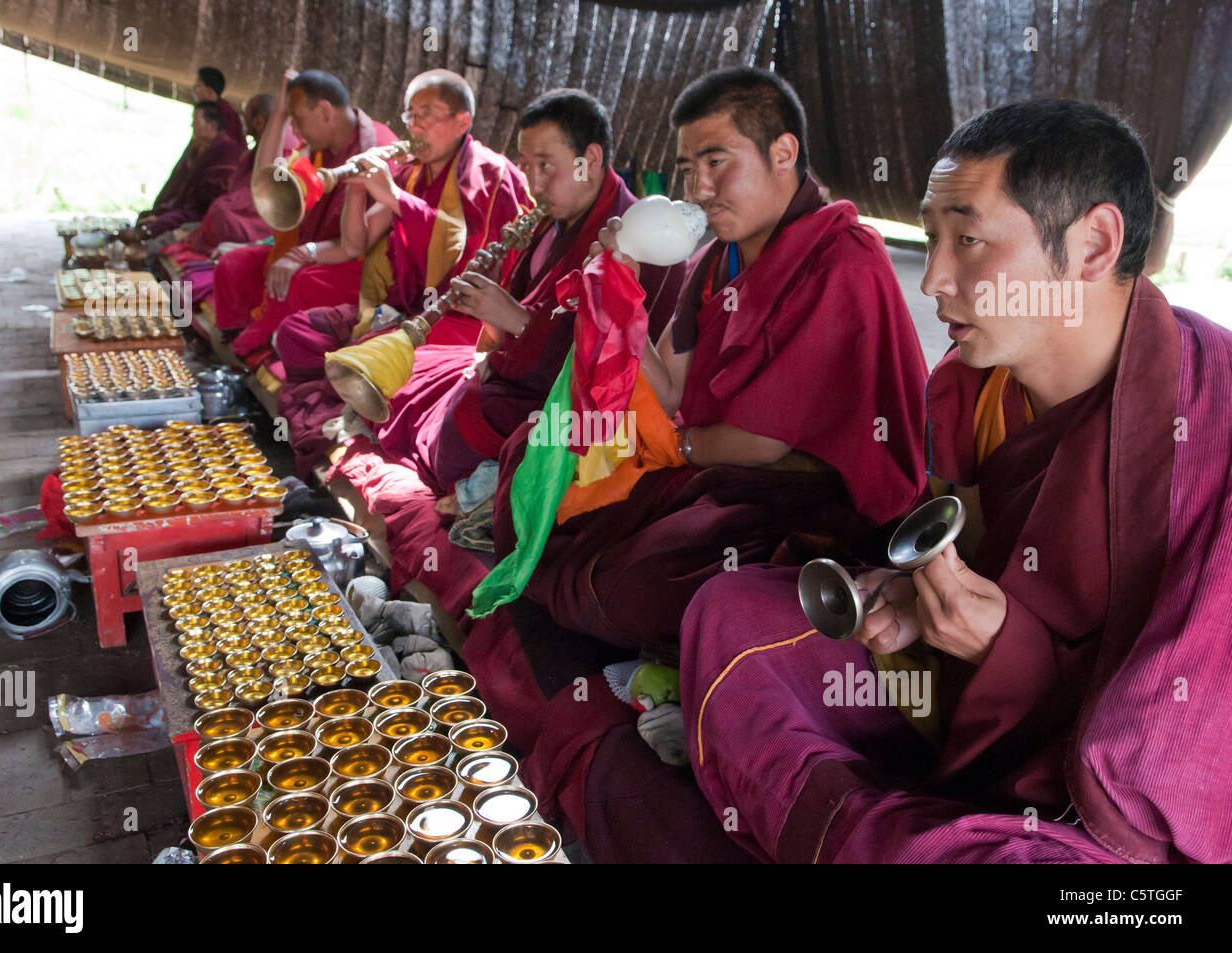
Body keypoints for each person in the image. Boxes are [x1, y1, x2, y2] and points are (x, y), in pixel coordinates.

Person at [683, 99, 1232, 864]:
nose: (935, 279)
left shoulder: (1212, 417)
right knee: (728, 610)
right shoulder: (972, 389)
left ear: (1094, 243)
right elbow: (968, 556)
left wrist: (1009, 648)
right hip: (957, 702)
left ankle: (857, 817)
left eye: (968, 239)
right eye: (933, 238)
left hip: (1084, 796)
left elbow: (1161, 768)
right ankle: (886, 823)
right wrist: (911, 606)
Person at [491, 67, 929, 658]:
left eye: (717, 162)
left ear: (783, 152)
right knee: (531, 447)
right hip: (710, 460)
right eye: (688, 168)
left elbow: (761, 444)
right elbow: (668, 389)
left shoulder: (842, 261)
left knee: (638, 580)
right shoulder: (718, 258)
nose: (698, 188)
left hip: (811, 494)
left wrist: (677, 451)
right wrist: (621, 288)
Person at [329, 88, 685, 493]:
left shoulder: (634, 238)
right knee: (409, 371)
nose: (534, 182)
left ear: (591, 160)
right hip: (514, 372)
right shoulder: (555, 221)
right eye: (526, 166)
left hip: (574, 410)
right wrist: (493, 329)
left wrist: (515, 319)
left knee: (461, 432)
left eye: (547, 166)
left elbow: (614, 375)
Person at [272, 69, 532, 472]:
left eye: (428, 114)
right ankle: (349, 398)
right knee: (295, 332)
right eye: (411, 116)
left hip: (460, 318)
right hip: (405, 309)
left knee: (366, 363)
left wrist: (394, 197)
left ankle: (356, 403)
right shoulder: (411, 171)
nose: (415, 126)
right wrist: (359, 188)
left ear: (463, 122)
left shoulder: (490, 175)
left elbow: (468, 258)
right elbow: (357, 242)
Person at [211, 68, 397, 362]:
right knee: (233, 266)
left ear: (324, 111)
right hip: (315, 253)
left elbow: (358, 246)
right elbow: (266, 179)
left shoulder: (378, 149)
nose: (294, 131)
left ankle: (266, 350)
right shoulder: (317, 150)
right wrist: (280, 114)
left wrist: (302, 255)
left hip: (359, 269)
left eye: (297, 120)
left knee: (299, 280)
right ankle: (242, 348)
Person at [136, 101, 243, 238]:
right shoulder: (205, 150)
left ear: (212, 126)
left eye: (196, 121)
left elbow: (214, 199)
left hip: (207, 216)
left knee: (155, 227)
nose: (192, 126)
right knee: (147, 217)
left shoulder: (227, 151)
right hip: (193, 210)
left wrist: (166, 217)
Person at [193, 66, 244, 144]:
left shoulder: (226, 113)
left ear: (209, 91)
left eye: (198, 86)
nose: (194, 90)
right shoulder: (216, 109)